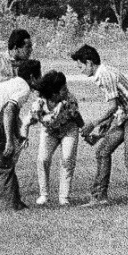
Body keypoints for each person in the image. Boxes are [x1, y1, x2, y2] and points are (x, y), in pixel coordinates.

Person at [72, 44, 128, 205]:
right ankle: (99, 196)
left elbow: (112, 106)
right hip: (124, 117)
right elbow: (118, 106)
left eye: (81, 66)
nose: (80, 70)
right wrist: (105, 126)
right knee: (102, 151)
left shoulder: (104, 75)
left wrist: (94, 123)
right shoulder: (103, 73)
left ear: (89, 63)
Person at [0, 58, 41, 211]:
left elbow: (11, 114)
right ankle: (15, 205)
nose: (40, 80)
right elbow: (9, 111)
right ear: (33, 77)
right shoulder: (24, 88)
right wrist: (9, 140)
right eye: (39, 76)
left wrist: (17, 134)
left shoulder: (14, 82)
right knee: (5, 165)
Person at [29, 70, 83, 206]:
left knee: (67, 159)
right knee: (43, 159)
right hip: (49, 132)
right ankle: (44, 195)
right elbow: (33, 118)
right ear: (54, 93)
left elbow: (76, 117)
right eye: (63, 89)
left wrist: (85, 131)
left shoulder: (70, 100)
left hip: (68, 130)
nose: (67, 90)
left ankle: (64, 197)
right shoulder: (40, 102)